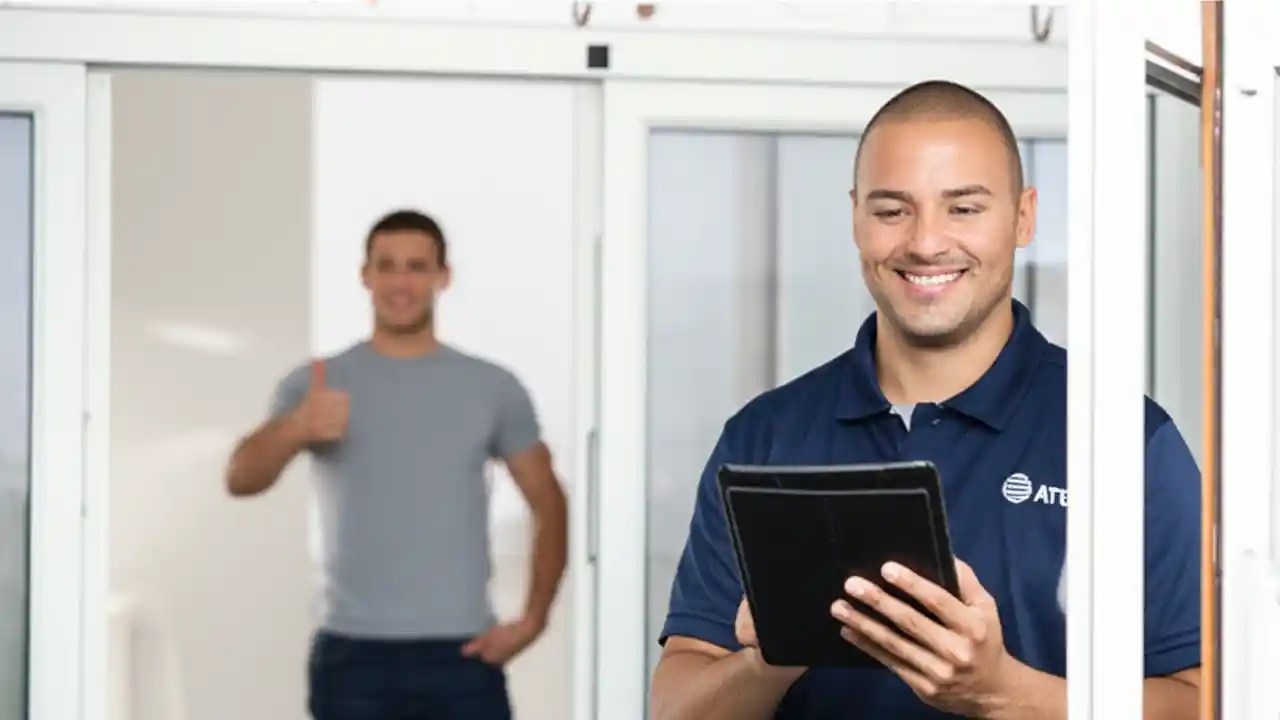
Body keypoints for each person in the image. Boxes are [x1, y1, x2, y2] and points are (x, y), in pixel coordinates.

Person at [650, 81, 1202, 719]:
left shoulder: (1122, 436)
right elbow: (676, 709)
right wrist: (772, 654)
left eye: (964, 209)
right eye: (892, 210)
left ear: (1024, 217)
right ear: (856, 216)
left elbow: (1202, 702)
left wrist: (1000, 690)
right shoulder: (766, 436)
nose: (926, 242)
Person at [225, 210, 568, 720]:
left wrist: (534, 619)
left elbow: (548, 501)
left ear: (441, 276)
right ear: (366, 276)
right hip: (351, 655)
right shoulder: (317, 382)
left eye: (415, 266)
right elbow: (241, 479)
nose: (400, 282)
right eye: (386, 266)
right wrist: (295, 427)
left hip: (463, 655)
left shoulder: (492, 387)